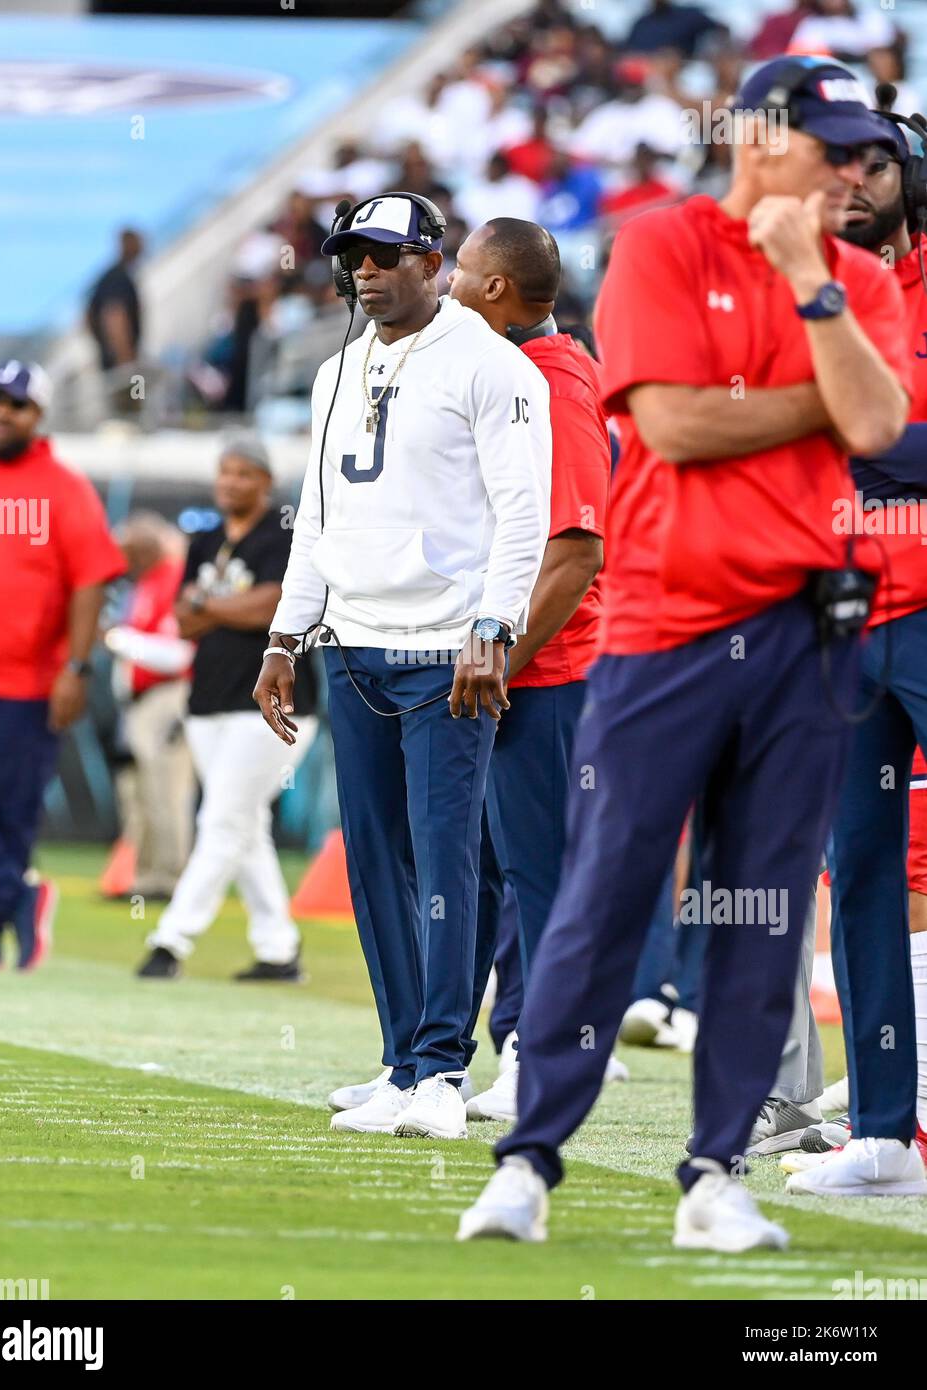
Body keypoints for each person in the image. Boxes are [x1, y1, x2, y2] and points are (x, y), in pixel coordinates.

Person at [458, 57, 911, 1250]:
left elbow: (878, 423)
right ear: (759, 139)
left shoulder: (857, 273)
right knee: (605, 894)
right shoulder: (663, 243)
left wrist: (812, 283)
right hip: (666, 621)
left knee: (762, 908)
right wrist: (815, 391)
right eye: (833, 143)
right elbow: (673, 422)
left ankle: (716, 1171)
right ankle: (530, 1157)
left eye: (865, 150)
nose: (856, 168)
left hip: (806, 630)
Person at [252, 192, 551, 1141]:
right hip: (352, 646)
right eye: (354, 257)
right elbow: (318, 516)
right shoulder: (336, 369)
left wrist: (495, 627)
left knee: (446, 857)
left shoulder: (494, 368)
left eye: (386, 254)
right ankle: (399, 1060)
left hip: (444, 653)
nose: (366, 272)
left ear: (433, 261)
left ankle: (440, 1070)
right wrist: (282, 636)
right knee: (375, 860)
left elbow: (523, 516)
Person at [788, 114, 927, 1196]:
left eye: (875, 162)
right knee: (864, 871)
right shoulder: (812, 293)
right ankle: (887, 1131)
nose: (854, 181)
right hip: (844, 612)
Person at [445, 216, 609, 1122]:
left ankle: (541, 1061)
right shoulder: (510, 373)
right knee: (477, 873)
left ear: (498, 290)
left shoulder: (556, 384)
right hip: (505, 665)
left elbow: (576, 549)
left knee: (541, 875)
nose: (449, 284)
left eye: (463, 270)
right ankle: (437, 1059)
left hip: (547, 670)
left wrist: (500, 656)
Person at [0, 361, 126, 969]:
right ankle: (19, 900)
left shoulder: (62, 485)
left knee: (8, 812)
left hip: (25, 683)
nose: (2, 411)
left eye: (16, 403)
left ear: (38, 416)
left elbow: (91, 582)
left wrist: (77, 669)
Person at [136, 435, 318, 982]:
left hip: (272, 705)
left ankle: (170, 941)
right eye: (224, 472)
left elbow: (276, 604)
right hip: (209, 699)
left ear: (266, 482)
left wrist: (209, 605)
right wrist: (219, 609)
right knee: (243, 824)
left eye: (243, 473)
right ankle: (279, 950)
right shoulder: (206, 536)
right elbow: (182, 619)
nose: (231, 483)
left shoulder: (282, 532)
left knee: (219, 819)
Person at [109, 512, 193, 901]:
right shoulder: (147, 583)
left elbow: (178, 655)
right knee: (140, 793)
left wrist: (117, 639)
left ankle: (171, 878)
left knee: (167, 789)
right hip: (141, 702)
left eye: (130, 554)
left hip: (169, 697)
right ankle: (145, 879)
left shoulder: (174, 579)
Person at [86, 228, 144, 373]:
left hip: (114, 364)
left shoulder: (112, 276)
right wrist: (126, 361)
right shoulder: (118, 278)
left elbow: (88, 318)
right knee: (136, 393)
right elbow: (114, 318)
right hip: (122, 366)